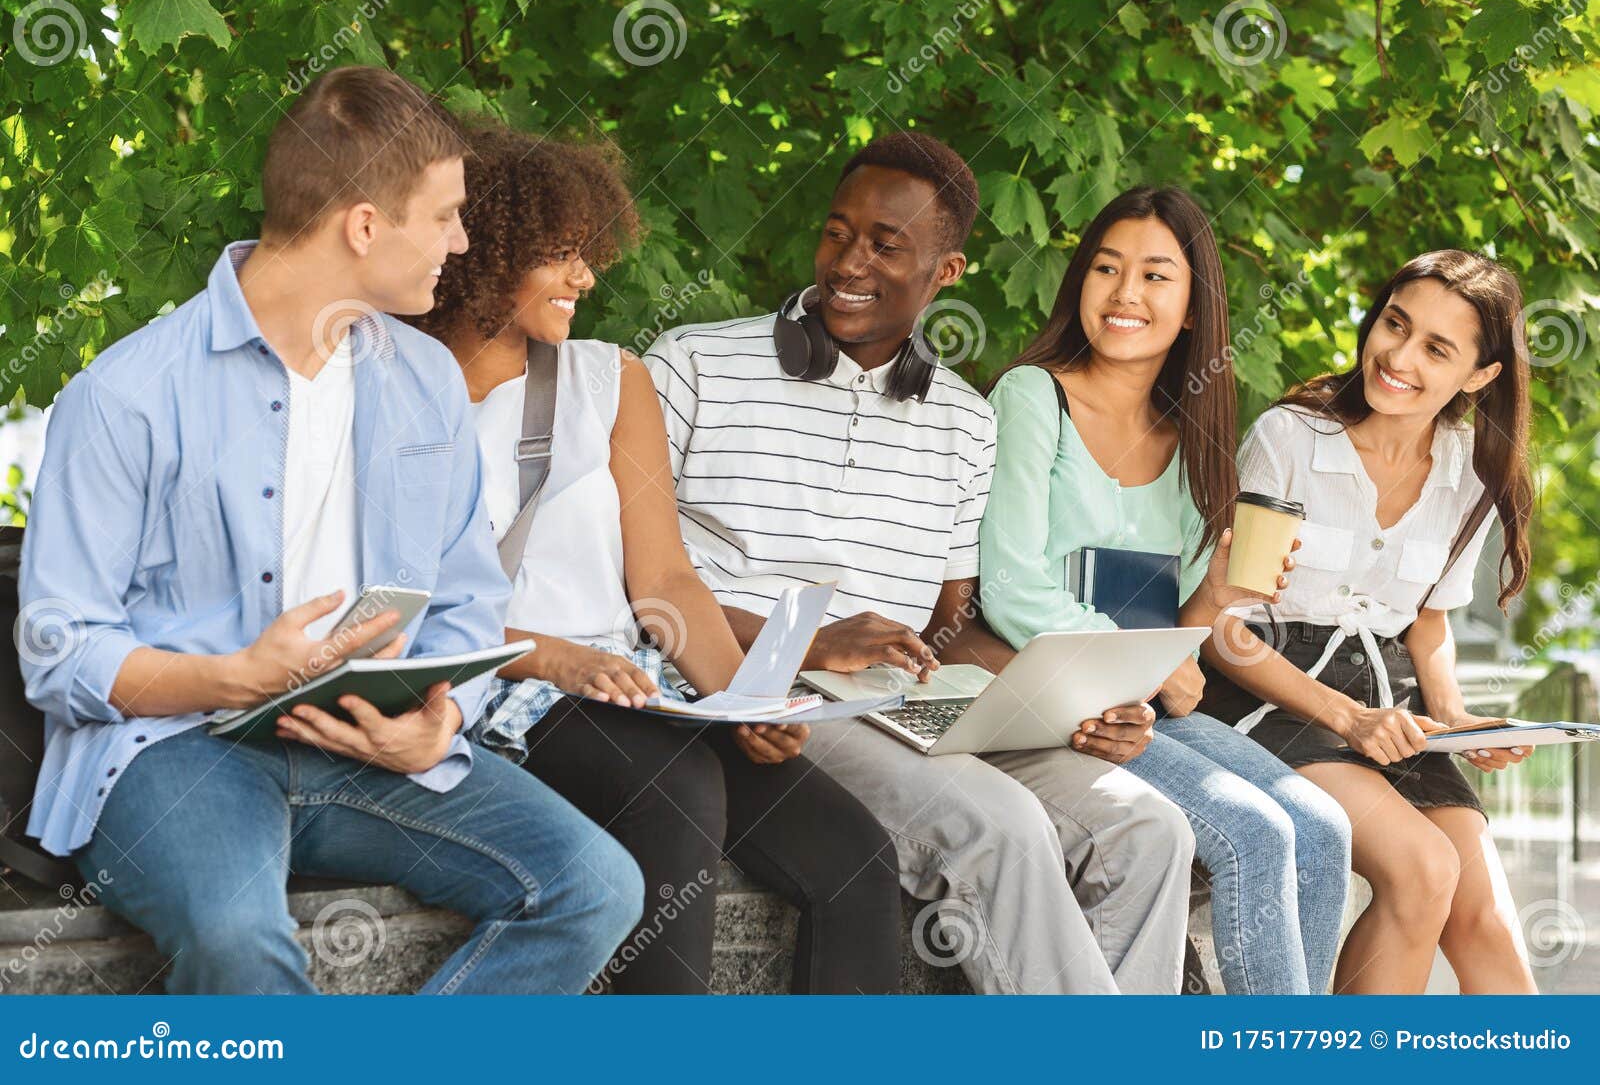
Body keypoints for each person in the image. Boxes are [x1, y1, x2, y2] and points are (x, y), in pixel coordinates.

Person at [15, 67, 642, 995]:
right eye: (444, 217)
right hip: (179, 748)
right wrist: (225, 676)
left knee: (596, 886)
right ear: (363, 226)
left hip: (366, 738)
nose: (463, 242)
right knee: (237, 938)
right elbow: (60, 651)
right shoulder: (128, 393)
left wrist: (443, 721)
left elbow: (469, 602)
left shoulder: (422, 379)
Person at [646, 131, 1198, 994]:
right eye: (837, 232)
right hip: (761, 688)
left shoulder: (967, 420)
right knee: (1002, 825)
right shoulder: (691, 363)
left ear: (948, 272)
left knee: (1149, 828)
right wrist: (816, 641)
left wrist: (1080, 707)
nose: (847, 261)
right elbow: (632, 581)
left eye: (885, 243)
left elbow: (953, 628)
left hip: (907, 702)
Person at [422, 122, 901, 993]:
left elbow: (667, 579)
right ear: (486, 251)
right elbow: (397, 596)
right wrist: (553, 655)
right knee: (679, 795)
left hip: (640, 686)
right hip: (499, 685)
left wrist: (740, 698)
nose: (586, 277)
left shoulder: (611, 377)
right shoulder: (391, 384)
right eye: (561, 255)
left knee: (855, 858)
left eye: (588, 253)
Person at [978, 185, 1351, 995]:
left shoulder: (1190, 439)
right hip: (1047, 702)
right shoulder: (1032, 396)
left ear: (1191, 310)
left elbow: (1174, 626)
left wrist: (1217, 598)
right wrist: (1148, 670)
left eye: (1155, 276)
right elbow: (1011, 588)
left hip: (1142, 707)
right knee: (1251, 832)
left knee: (1322, 828)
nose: (1124, 294)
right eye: (1107, 269)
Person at [1197, 248, 1540, 994]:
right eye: (1395, 324)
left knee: (1486, 917)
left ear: (1480, 376)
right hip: (1272, 690)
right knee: (1424, 868)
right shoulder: (1289, 436)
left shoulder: (1470, 474)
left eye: (1436, 348)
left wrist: (1454, 714)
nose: (1399, 355)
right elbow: (1225, 628)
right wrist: (1346, 717)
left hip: (1393, 702)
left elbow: (1427, 626)